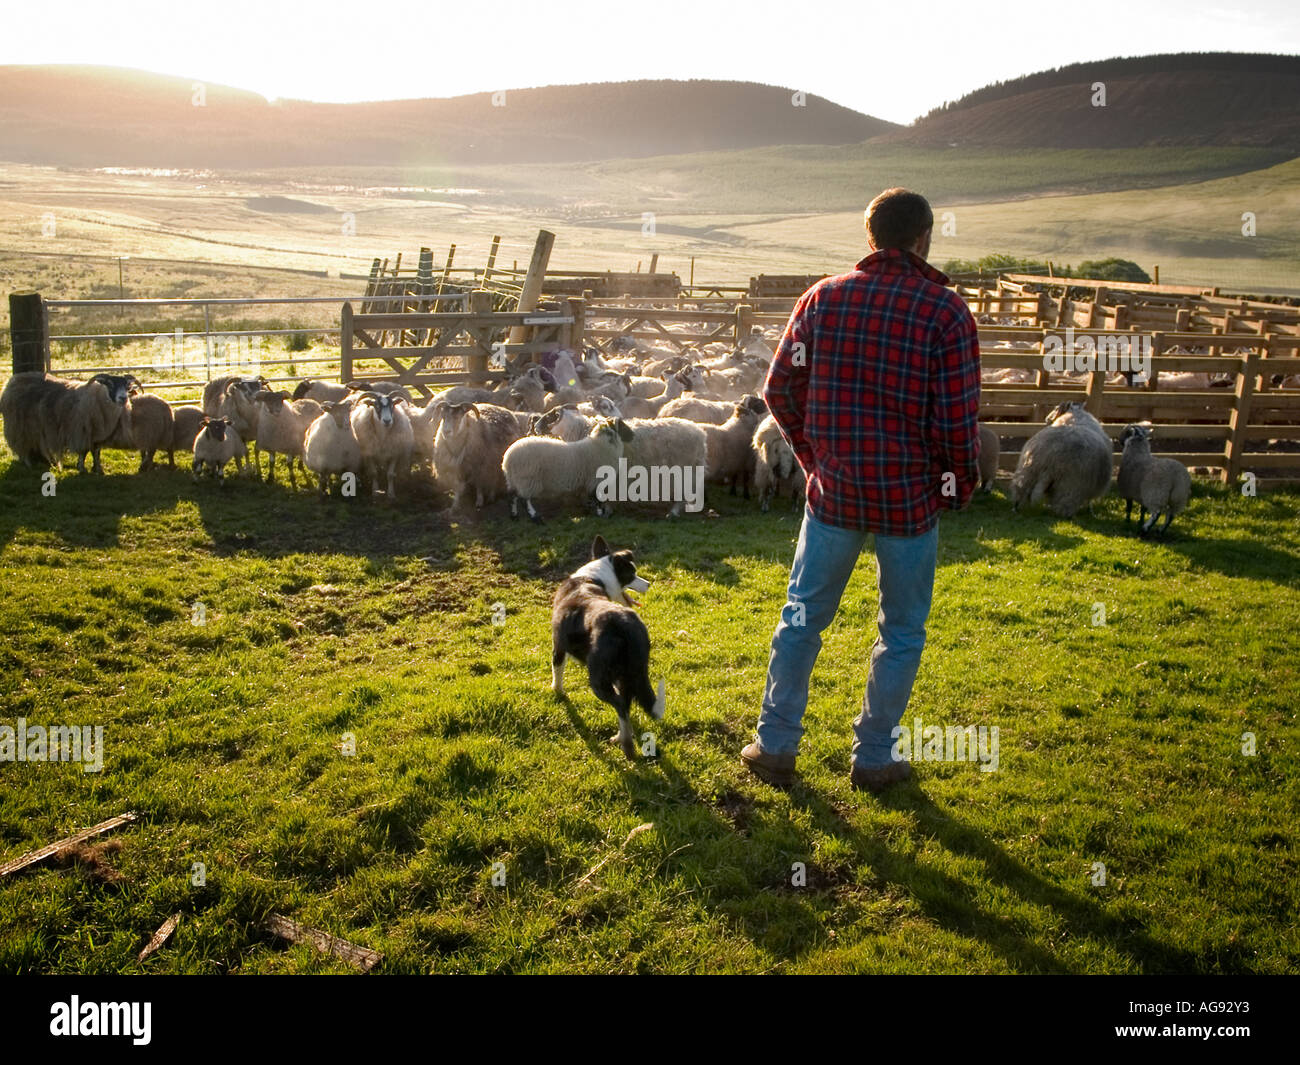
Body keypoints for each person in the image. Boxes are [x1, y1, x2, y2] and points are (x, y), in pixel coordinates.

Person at [741, 187, 982, 793]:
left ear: (870, 237)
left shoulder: (822, 299)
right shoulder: (946, 313)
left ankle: (775, 745)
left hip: (835, 494)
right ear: (924, 237)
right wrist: (955, 483)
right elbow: (957, 421)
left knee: (801, 617)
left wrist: (813, 456)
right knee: (900, 629)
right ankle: (873, 757)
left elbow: (778, 390)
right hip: (909, 500)